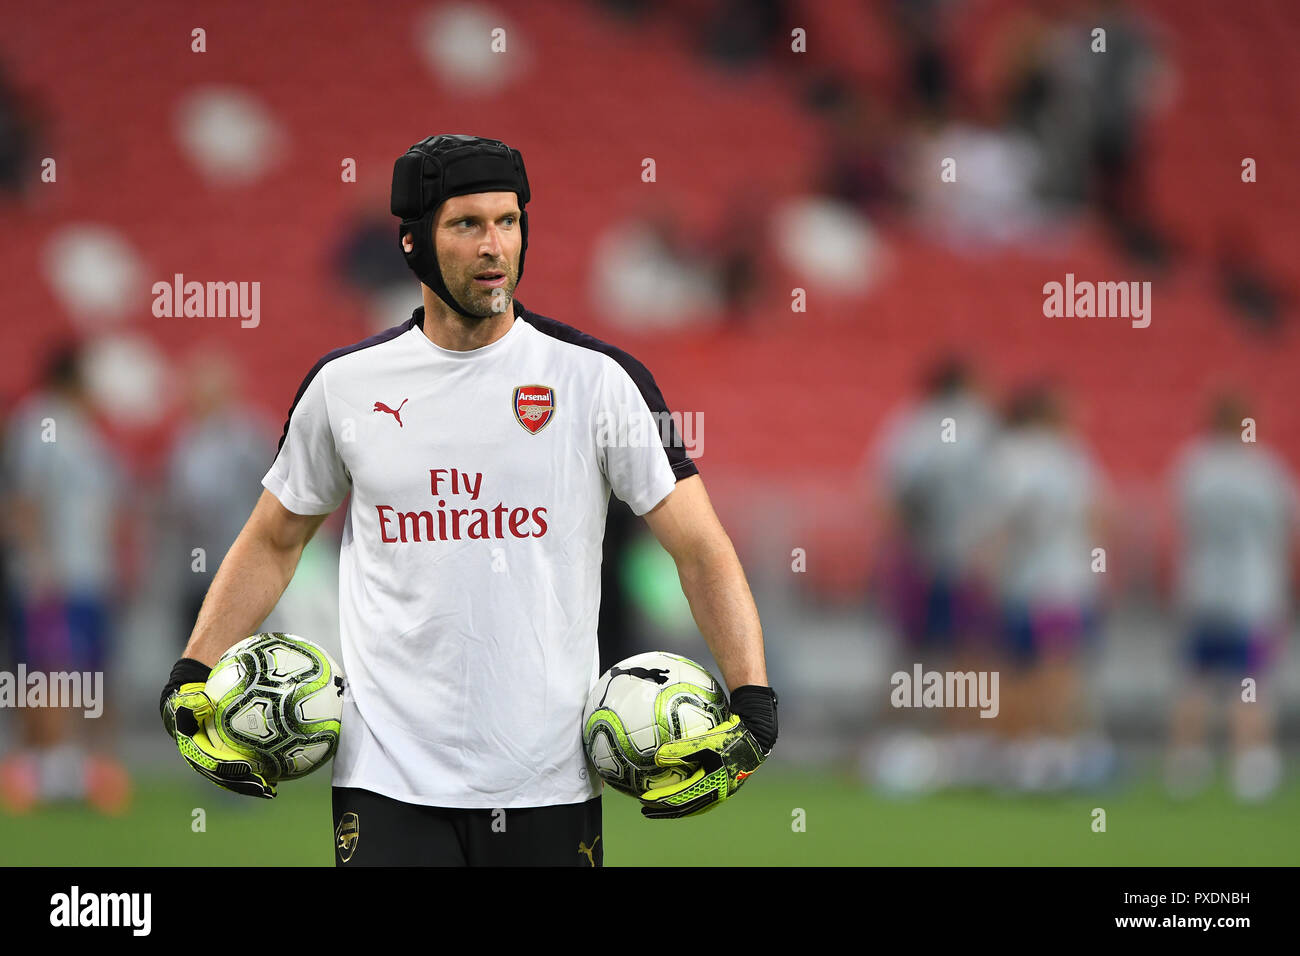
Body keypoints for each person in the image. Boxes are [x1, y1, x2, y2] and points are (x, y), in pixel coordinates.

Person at [158, 134, 778, 866]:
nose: (495, 246)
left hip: (549, 783)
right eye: (467, 225)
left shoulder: (599, 381)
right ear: (414, 242)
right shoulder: (344, 387)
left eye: (508, 222)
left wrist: (753, 702)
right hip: (385, 784)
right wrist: (193, 671)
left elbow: (700, 546)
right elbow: (274, 539)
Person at [1165, 393, 1296, 802]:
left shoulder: (1194, 465)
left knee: (1195, 681)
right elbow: (1287, 526)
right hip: (1251, 591)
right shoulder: (1264, 469)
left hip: (1202, 587)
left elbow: (1180, 520)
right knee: (1251, 683)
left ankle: (1186, 764)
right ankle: (1250, 766)